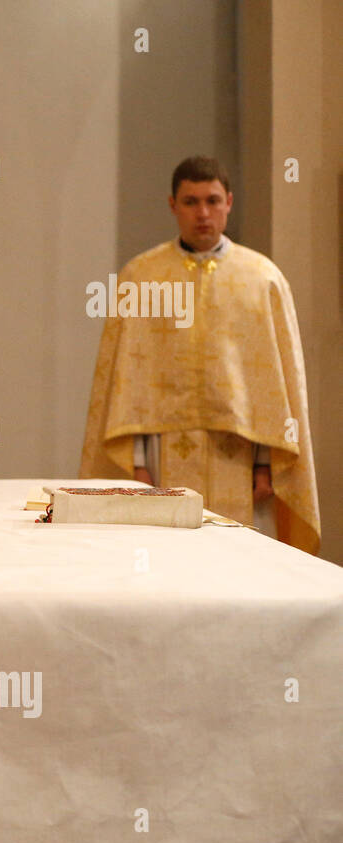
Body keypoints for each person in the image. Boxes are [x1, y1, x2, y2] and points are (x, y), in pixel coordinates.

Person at [80, 156, 319, 553]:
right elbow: (127, 382)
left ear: (229, 203)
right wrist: (136, 464)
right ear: (173, 205)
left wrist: (266, 465)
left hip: (242, 460)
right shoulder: (142, 276)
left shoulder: (262, 278)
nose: (203, 213)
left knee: (242, 560)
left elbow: (273, 386)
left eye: (212, 201)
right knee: (163, 559)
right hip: (160, 455)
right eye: (191, 202)